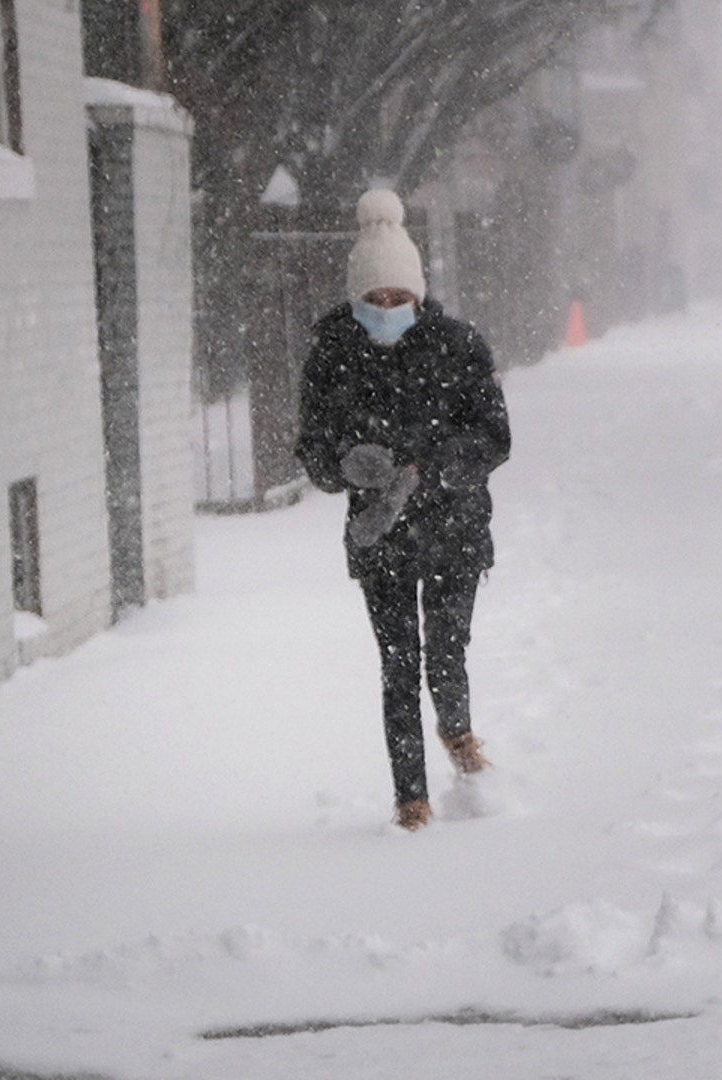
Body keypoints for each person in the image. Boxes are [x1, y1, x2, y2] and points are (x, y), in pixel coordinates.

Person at [295, 188, 512, 832]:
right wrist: (346, 464)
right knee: (398, 666)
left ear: (418, 295)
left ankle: (459, 733)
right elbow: (313, 449)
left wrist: (434, 466)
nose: (386, 309)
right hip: (380, 535)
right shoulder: (332, 355)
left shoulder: (458, 347)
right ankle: (411, 798)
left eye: (398, 297)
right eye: (374, 299)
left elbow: (494, 437)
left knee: (446, 652)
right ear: (356, 298)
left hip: (454, 527)